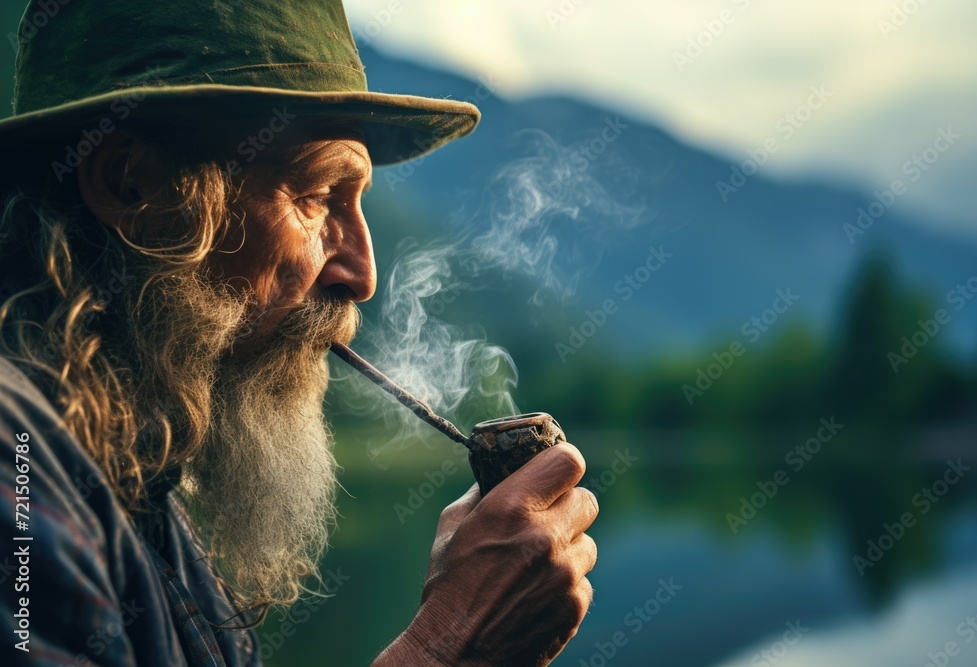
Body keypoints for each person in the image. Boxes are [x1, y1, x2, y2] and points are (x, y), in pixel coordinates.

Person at [0, 1, 598, 665]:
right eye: (317, 197)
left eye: (358, 203)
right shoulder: (15, 469)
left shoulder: (131, 476)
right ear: (132, 185)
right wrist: (448, 645)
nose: (362, 272)